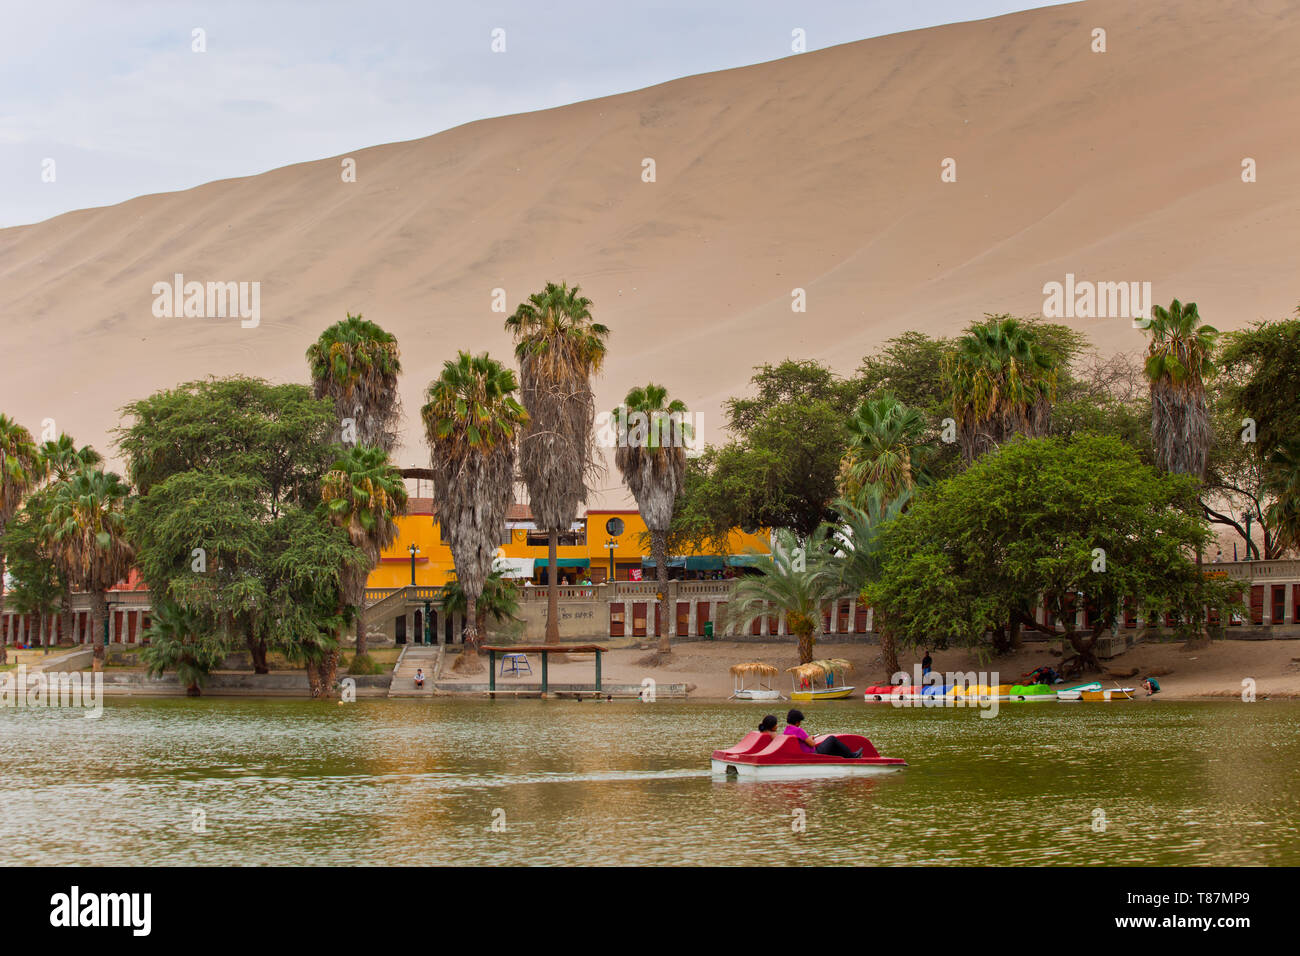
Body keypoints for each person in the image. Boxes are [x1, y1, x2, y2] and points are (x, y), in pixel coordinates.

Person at [783, 709, 862, 759]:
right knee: (832, 739)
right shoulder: (798, 730)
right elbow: (812, 744)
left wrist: (808, 738)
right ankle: (852, 756)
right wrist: (811, 738)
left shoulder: (786, 730)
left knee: (831, 747)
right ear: (798, 721)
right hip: (813, 754)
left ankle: (845, 757)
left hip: (804, 754)